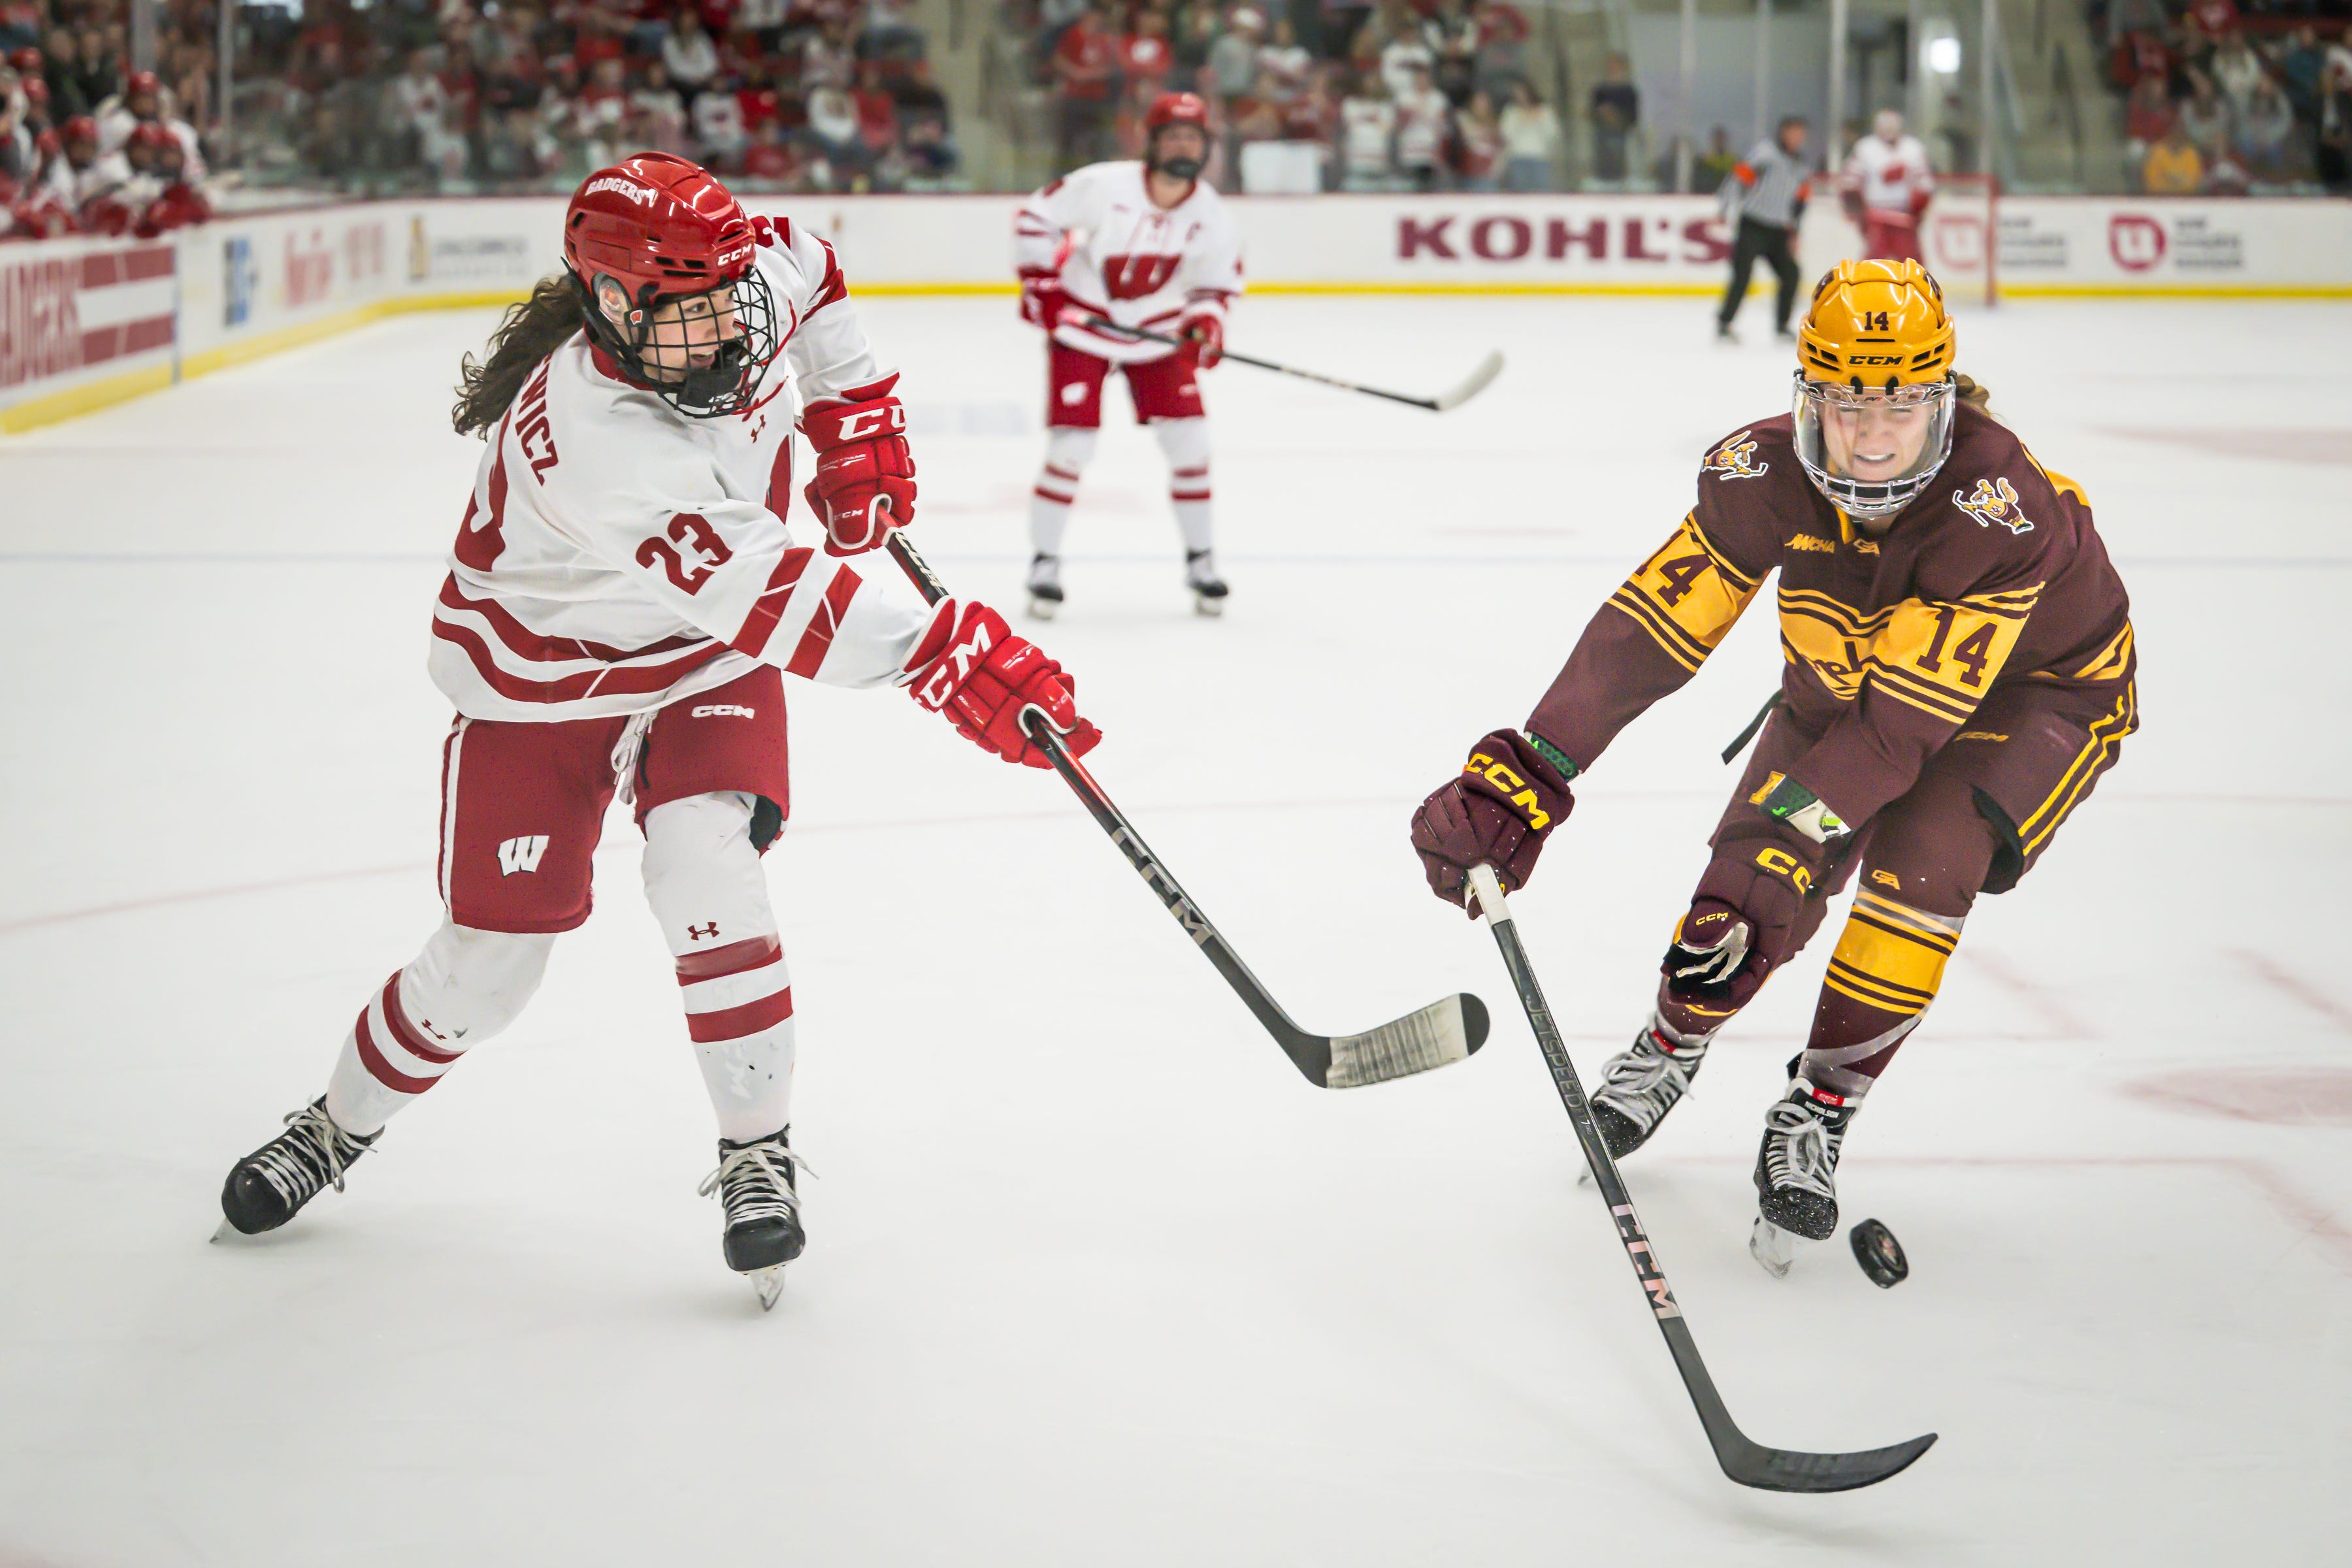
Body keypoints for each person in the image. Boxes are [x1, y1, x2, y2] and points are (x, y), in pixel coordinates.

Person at [214, 155, 1100, 1306]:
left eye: (729, 302)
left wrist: (853, 412)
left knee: (706, 868)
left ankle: (755, 1152)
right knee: (488, 970)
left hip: (701, 660)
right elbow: (786, 602)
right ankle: (336, 1125)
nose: (725, 336)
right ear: (612, 306)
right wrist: (952, 659)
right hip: (544, 679)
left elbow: (816, 274)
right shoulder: (600, 441)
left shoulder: (734, 290)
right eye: (686, 315)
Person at [1410, 261, 2136, 1276]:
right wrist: (1533, 764)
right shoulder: (1759, 475)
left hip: (2035, 698)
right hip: (1850, 681)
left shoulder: (1998, 513)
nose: (1873, 437)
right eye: (1845, 406)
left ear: (1945, 401)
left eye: (1900, 407)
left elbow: (1897, 738)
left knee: (1920, 861)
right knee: (1740, 896)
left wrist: (1796, 842)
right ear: (1808, 396)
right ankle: (1670, 1045)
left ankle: (1823, 1105)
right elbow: (1652, 629)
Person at [1013, 90, 1243, 617]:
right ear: (1153, 141)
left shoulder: (1211, 213)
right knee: (1071, 448)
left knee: (1191, 445)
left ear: (1206, 146)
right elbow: (1035, 217)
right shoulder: (1104, 184)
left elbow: (1218, 284)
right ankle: (1044, 564)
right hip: (1083, 325)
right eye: (1173, 135)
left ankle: (1202, 563)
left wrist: (1208, 322)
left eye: (1193, 136)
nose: (1183, 145)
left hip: (1157, 334)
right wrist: (1042, 285)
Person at [1714, 114, 1811, 344]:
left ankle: (1782, 325)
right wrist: (1724, 209)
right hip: (1754, 224)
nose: (1798, 137)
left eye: (1801, 132)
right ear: (1784, 132)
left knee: (1791, 274)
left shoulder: (1801, 164)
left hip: (1779, 230)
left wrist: (1795, 231)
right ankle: (1725, 322)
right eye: (1794, 131)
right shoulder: (1766, 154)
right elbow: (1738, 179)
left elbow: (1800, 201)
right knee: (1742, 275)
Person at [1843, 108, 1933, 262]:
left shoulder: (1913, 148)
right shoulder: (1865, 148)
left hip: (1904, 216)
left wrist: (1917, 212)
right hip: (1876, 216)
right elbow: (1851, 184)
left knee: (1913, 266)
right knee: (1874, 265)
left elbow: (1925, 186)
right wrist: (1859, 214)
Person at [1497, 76, 1556, 190]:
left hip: (1539, 158)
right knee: (1520, 192)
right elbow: (1505, 135)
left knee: (1542, 192)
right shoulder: (1511, 112)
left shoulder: (1545, 110)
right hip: (1518, 157)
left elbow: (1552, 134)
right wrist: (1520, 121)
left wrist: (1538, 120)